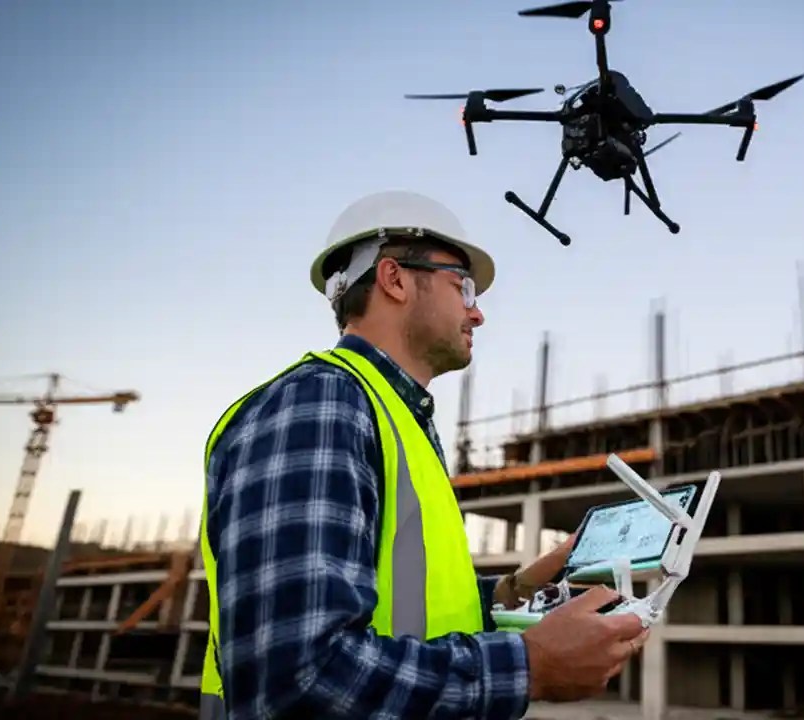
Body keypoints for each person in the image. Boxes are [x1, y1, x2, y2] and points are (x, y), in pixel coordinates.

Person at [196, 190, 648, 720]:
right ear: (394, 279)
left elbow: (413, 611)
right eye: (464, 286)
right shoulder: (321, 404)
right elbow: (301, 676)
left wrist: (515, 589)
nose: (477, 313)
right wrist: (529, 666)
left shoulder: (392, 416)